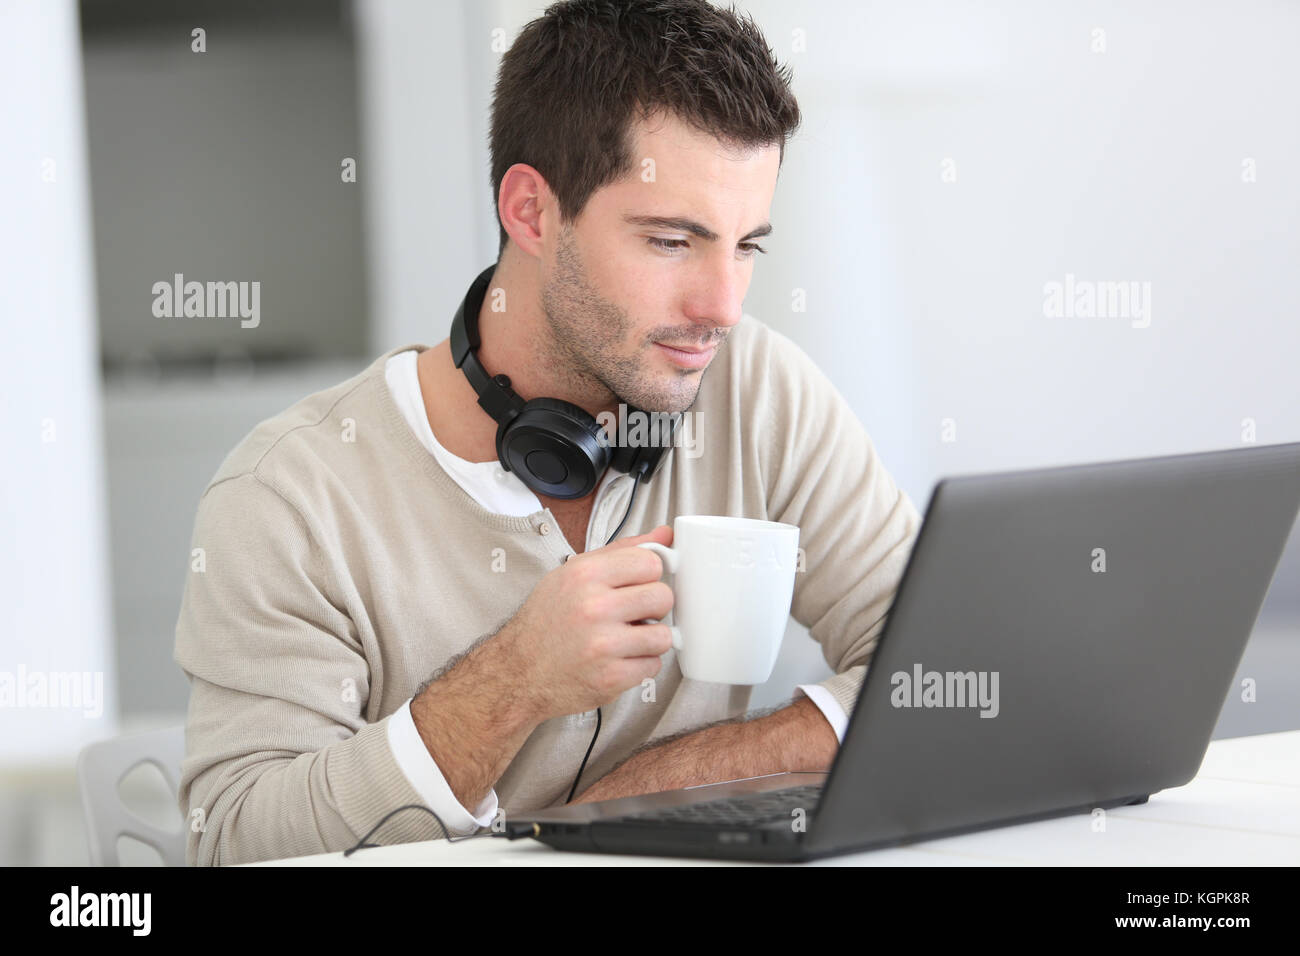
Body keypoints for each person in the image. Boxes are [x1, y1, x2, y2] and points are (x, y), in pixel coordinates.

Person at [174, 0, 921, 866]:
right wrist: (513, 683)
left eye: (745, 246)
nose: (723, 307)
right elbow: (230, 843)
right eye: (674, 241)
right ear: (531, 213)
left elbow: (946, 672)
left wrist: (640, 796)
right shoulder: (289, 497)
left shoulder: (759, 392)